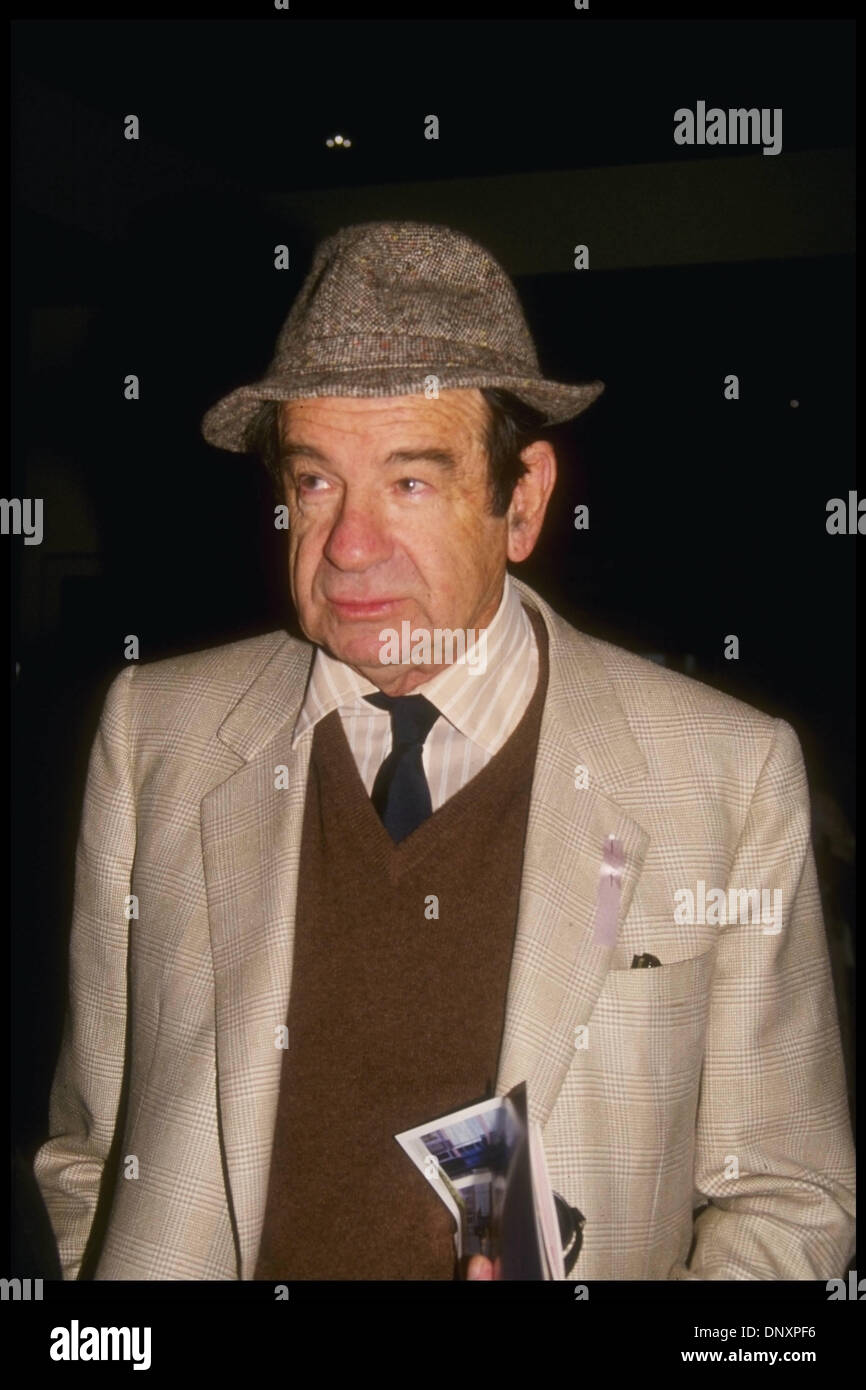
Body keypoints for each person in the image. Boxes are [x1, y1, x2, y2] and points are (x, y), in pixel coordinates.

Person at [34, 220, 855, 1281]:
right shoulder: (156, 732)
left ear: (522, 502)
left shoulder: (725, 776)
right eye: (316, 480)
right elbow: (87, 1156)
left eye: (410, 482)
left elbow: (787, 1199)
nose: (348, 546)